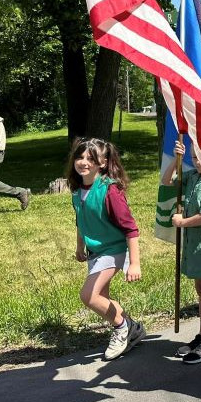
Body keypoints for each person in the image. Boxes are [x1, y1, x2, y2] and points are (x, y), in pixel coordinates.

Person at [68, 138, 145, 361]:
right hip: (95, 252)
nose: (83, 162)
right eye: (80, 157)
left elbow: (131, 229)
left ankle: (123, 327)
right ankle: (134, 329)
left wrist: (135, 263)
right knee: (101, 297)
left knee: (89, 296)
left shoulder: (109, 190)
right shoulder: (77, 191)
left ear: (102, 163)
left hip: (114, 250)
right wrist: (80, 246)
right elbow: (80, 221)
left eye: (90, 159)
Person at [161, 141, 201, 364]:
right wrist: (174, 159)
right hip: (194, 244)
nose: (197, 162)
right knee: (200, 290)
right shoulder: (192, 177)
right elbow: (167, 181)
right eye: (194, 158)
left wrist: (182, 222)